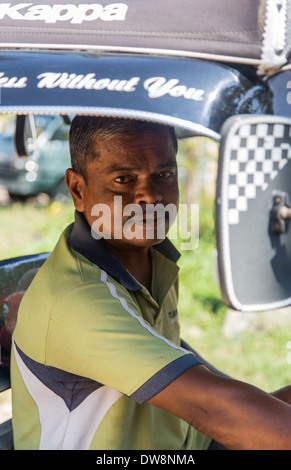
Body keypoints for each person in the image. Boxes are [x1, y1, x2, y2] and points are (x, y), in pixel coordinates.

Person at [11, 116, 291, 450]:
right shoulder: (79, 299)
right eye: (123, 179)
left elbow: (214, 393)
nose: (149, 195)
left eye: (164, 175)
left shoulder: (152, 261)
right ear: (77, 190)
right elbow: (215, 408)